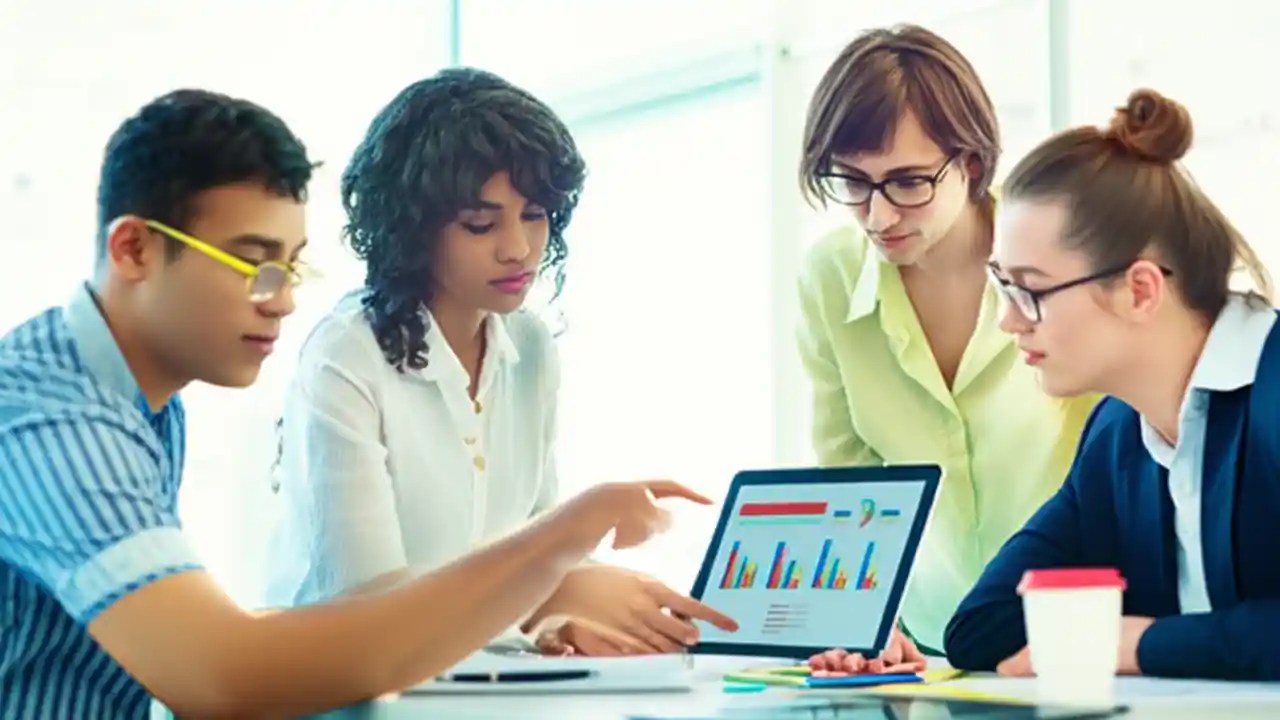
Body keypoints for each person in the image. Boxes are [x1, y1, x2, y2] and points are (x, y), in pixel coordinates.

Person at [0, 88, 706, 719]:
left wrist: (545, 606)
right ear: (133, 250)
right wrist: (559, 550)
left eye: (290, 264)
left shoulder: (140, 400)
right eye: (253, 265)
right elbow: (219, 679)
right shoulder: (55, 420)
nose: (281, 301)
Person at [264, 67, 738, 656]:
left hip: (469, 684)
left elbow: (528, 552)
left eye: (536, 214)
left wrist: (552, 623)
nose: (518, 248)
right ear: (412, 230)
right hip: (343, 690)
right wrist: (560, 575)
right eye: (481, 224)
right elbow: (367, 610)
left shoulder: (528, 346)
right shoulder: (347, 357)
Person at [945, 88, 1280, 681]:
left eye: (1031, 290)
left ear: (1140, 290)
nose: (1008, 319)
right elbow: (981, 627)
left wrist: (1138, 645)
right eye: (1003, 286)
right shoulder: (1117, 432)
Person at [797, 25, 1097, 673]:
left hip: (1077, 627)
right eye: (851, 182)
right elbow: (848, 475)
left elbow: (1120, 447)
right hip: (930, 647)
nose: (878, 216)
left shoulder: (1057, 254)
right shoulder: (829, 277)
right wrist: (867, 624)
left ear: (970, 163)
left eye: (907, 182)